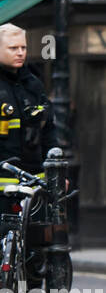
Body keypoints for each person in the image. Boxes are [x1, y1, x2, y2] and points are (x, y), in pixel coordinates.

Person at [0, 23, 56, 181]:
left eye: (23, 48)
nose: (20, 53)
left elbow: (48, 130)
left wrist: (57, 173)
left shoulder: (33, 84)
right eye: (13, 48)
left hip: (34, 181)